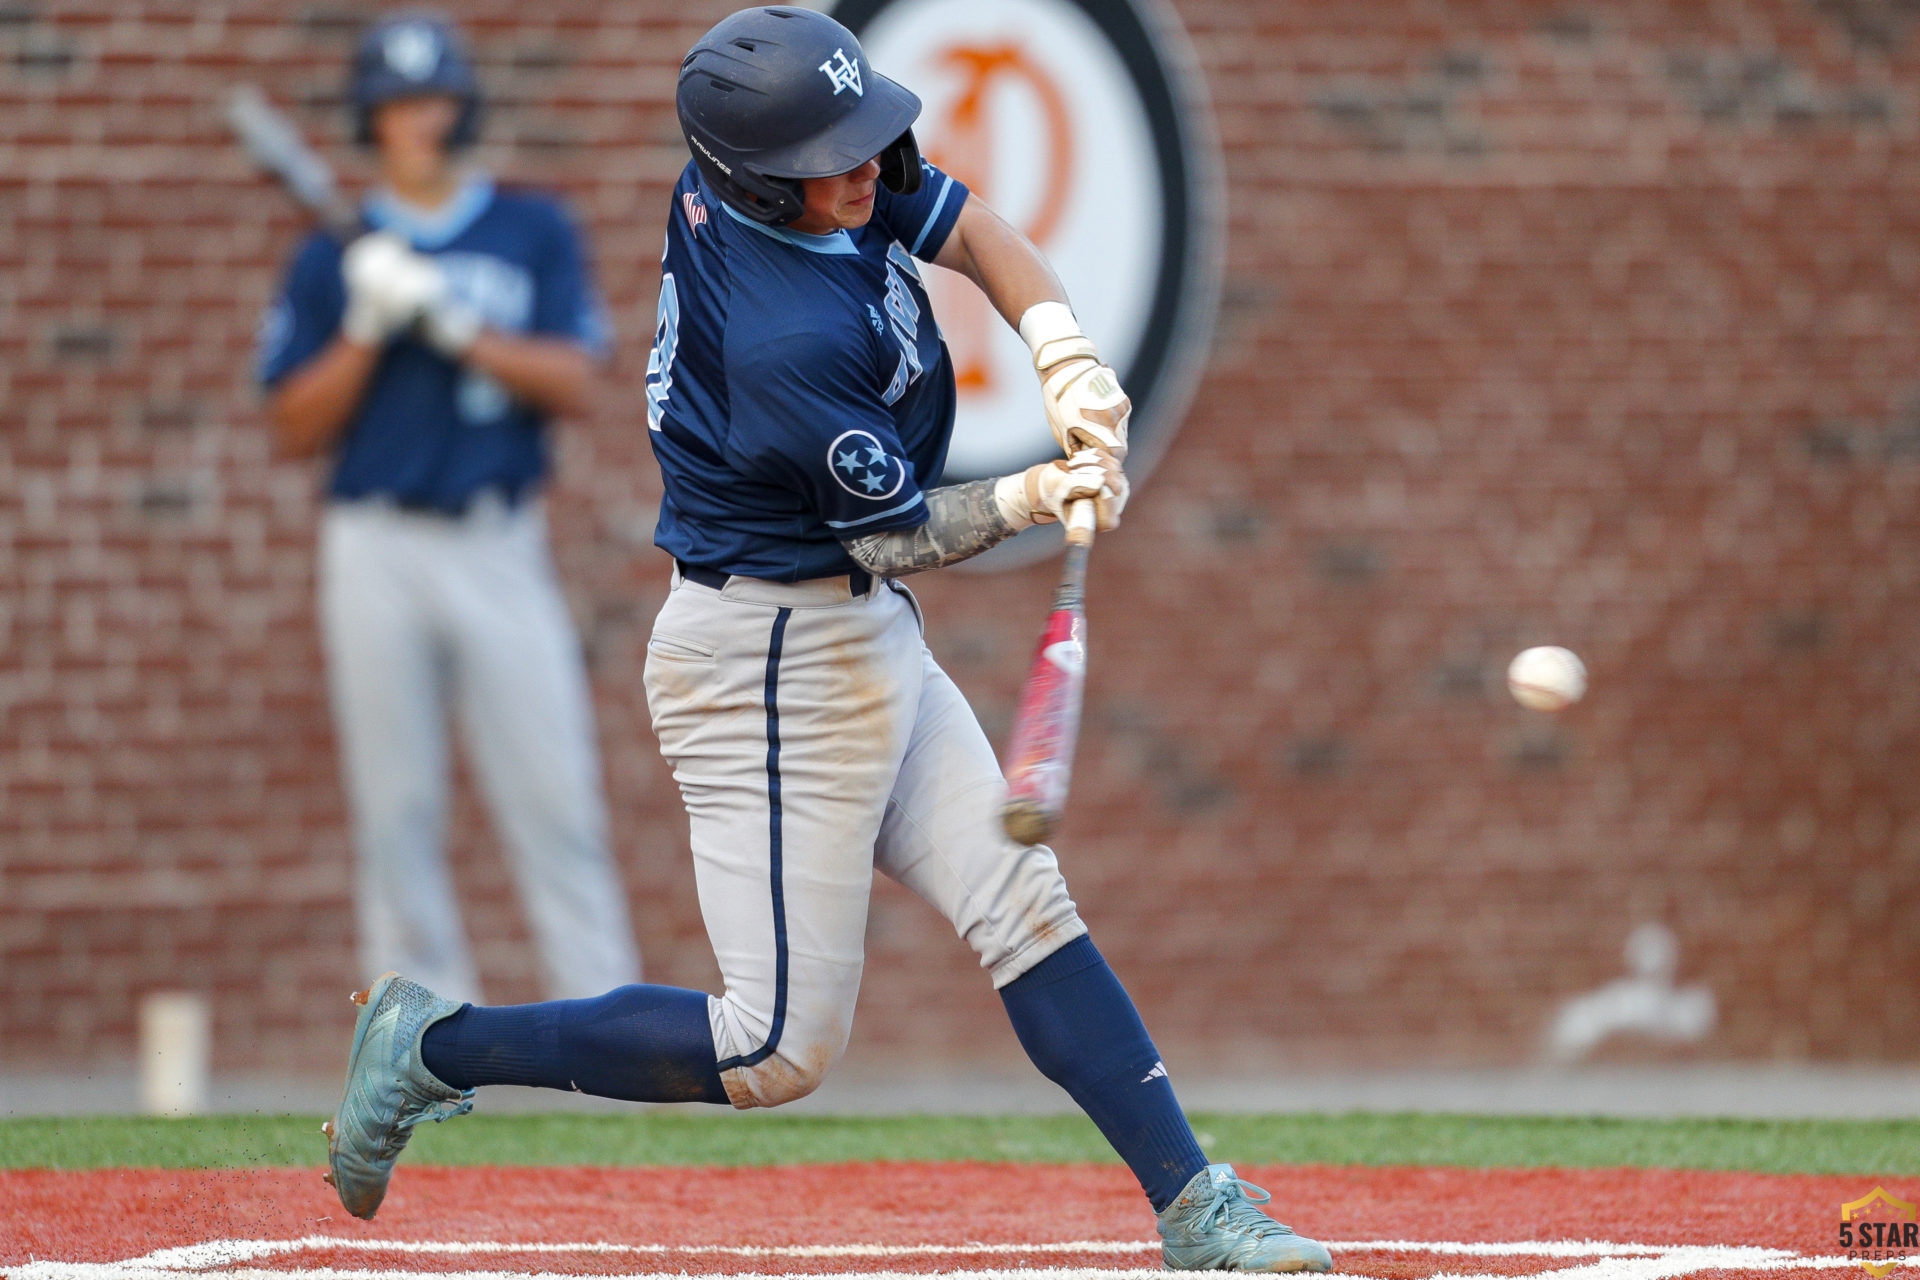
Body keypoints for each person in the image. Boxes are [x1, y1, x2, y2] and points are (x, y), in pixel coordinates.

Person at [322, 8, 1331, 1272]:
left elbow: (972, 230)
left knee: (1023, 900)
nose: (869, 170)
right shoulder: (784, 335)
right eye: (834, 160)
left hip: (859, 638)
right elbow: (895, 537)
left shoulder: (801, 175)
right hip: (763, 659)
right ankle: (433, 1046)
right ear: (758, 179)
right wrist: (1031, 493)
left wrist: (1062, 352)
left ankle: (1196, 1204)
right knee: (773, 1047)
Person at [259, 13, 642, 1005]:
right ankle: (420, 1047)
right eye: (396, 106)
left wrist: (455, 322)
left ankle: (601, 1026)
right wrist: (367, 327)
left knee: (556, 795)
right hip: (374, 543)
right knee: (397, 809)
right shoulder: (328, 258)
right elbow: (291, 424)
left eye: (433, 101)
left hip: (498, 537)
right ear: (370, 121)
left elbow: (574, 379)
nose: (419, 122)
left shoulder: (531, 227)